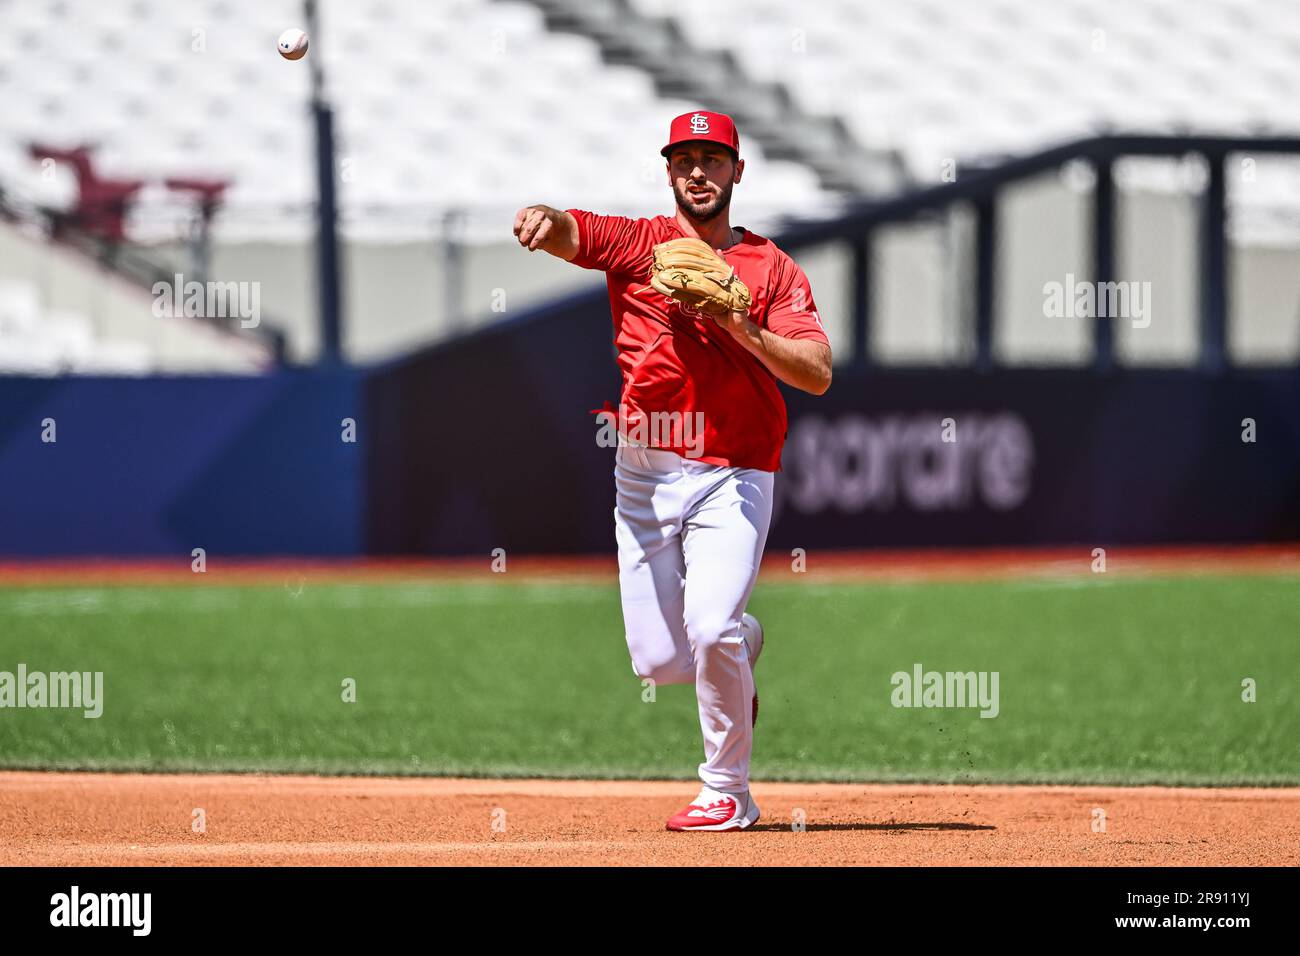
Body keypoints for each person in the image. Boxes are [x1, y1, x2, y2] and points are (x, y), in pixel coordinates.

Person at [513, 110, 831, 831]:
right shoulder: (641, 244)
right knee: (661, 663)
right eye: (684, 158)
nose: (698, 171)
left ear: (737, 173)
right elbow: (574, 232)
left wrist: (739, 325)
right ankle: (739, 642)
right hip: (645, 476)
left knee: (709, 627)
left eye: (713, 159)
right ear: (668, 171)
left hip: (735, 468)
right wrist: (543, 218)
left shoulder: (771, 269)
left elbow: (815, 373)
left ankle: (728, 791)